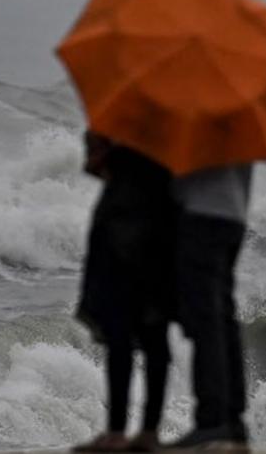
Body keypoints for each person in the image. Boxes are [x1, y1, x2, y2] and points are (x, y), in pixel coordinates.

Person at [74, 131, 178, 452]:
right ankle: (142, 431)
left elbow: (96, 164)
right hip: (151, 244)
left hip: (134, 250)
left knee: (131, 342)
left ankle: (128, 431)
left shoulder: (130, 137)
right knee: (146, 342)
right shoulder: (162, 138)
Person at [162, 164, 254, 451]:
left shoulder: (198, 123)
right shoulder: (241, 120)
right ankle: (233, 421)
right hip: (234, 216)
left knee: (207, 318)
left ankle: (212, 420)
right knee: (223, 315)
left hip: (203, 217)